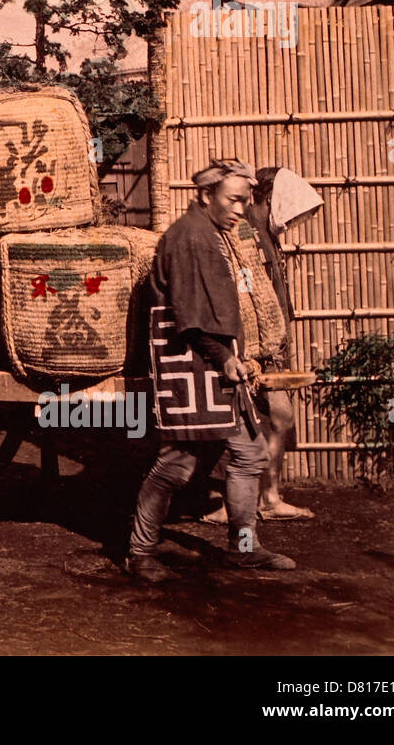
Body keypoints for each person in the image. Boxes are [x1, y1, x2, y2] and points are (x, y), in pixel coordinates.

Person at [125, 158, 296, 583]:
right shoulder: (189, 240)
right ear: (205, 196)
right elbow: (190, 316)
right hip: (191, 363)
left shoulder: (214, 236)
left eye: (245, 201)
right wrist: (225, 358)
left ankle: (243, 549)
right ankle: (139, 552)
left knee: (249, 452)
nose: (241, 210)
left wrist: (230, 356)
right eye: (233, 200)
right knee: (177, 465)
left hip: (215, 362)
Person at [201, 166, 323, 524]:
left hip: (270, 346)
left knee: (279, 418)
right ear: (270, 199)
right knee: (241, 422)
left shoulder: (267, 235)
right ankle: (231, 502)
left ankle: (269, 496)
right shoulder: (243, 233)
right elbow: (240, 295)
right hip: (247, 347)